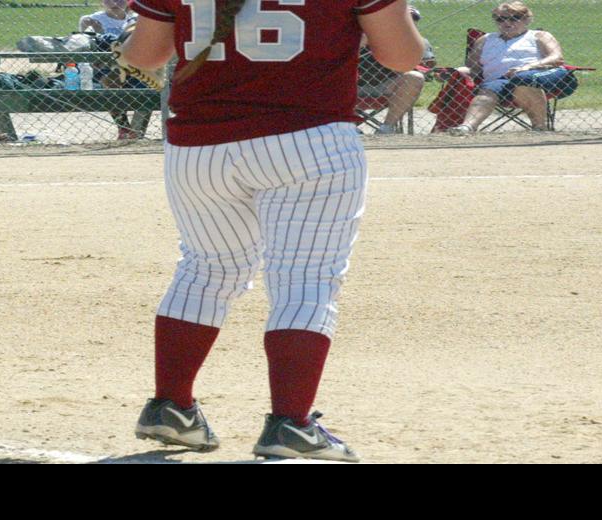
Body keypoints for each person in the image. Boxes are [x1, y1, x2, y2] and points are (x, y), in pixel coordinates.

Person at [120, 0, 423, 462]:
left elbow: (142, 56)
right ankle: (290, 423)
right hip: (308, 140)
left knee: (206, 268)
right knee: (305, 279)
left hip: (199, 146)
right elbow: (401, 58)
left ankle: (171, 406)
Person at [448, 2, 576, 134]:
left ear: (527, 19)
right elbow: (472, 67)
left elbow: (557, 58)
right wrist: (458, 71)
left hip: (530, 79)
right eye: (500, 19)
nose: (506, 22)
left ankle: (539, 127)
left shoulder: (539, 36)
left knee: (523, 80)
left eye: (514, 18)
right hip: (497, 82)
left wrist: (528, 67)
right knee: (487, 92)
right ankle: (467, 127)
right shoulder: (485, 39)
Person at [357, 4, 433, 135]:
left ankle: (386, 128)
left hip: (388, 84)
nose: (409, 23)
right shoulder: (361, 36)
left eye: (413, 20)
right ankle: (348, 126)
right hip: (353, 85)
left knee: (415, 77)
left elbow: (428, 67)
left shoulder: (420, 42)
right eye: (405, 19)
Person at [81, 0, 150, 140]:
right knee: (111, 79)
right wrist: (98, 31)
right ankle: (123, 128)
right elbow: (86, 45)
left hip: (135, 64)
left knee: (148, 83)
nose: (114, 2)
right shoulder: (92, 20)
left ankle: (136, 131)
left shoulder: (138, 18)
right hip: (106, 67)